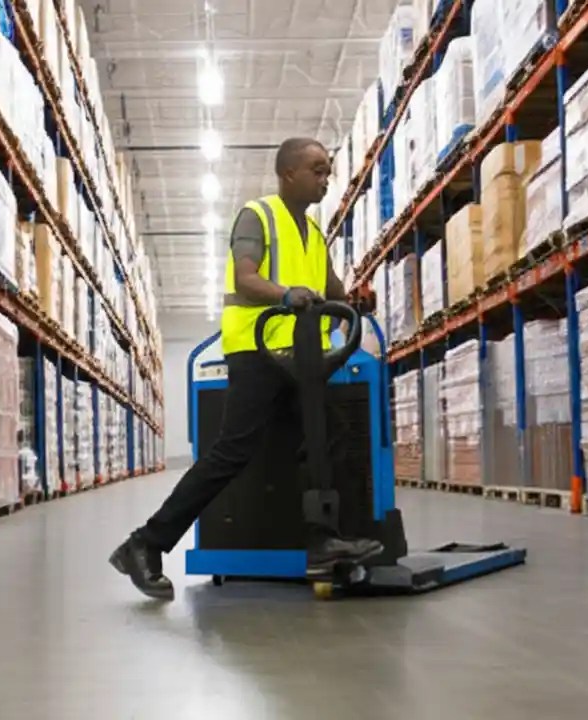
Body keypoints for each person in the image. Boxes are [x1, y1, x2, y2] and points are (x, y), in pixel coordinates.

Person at [109, 137, 383, 600]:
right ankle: (145, 544)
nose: (325, 179)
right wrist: (284, 294)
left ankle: (323, 542)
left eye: (327, 171)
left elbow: (332, 292)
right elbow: (245, 277)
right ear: (288, 173)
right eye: (317, 170)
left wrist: (353, 300)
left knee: (329, 438)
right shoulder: (258, 215)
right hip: (258, 352)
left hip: (302, 360)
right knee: (233, 453)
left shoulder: (314, 235)